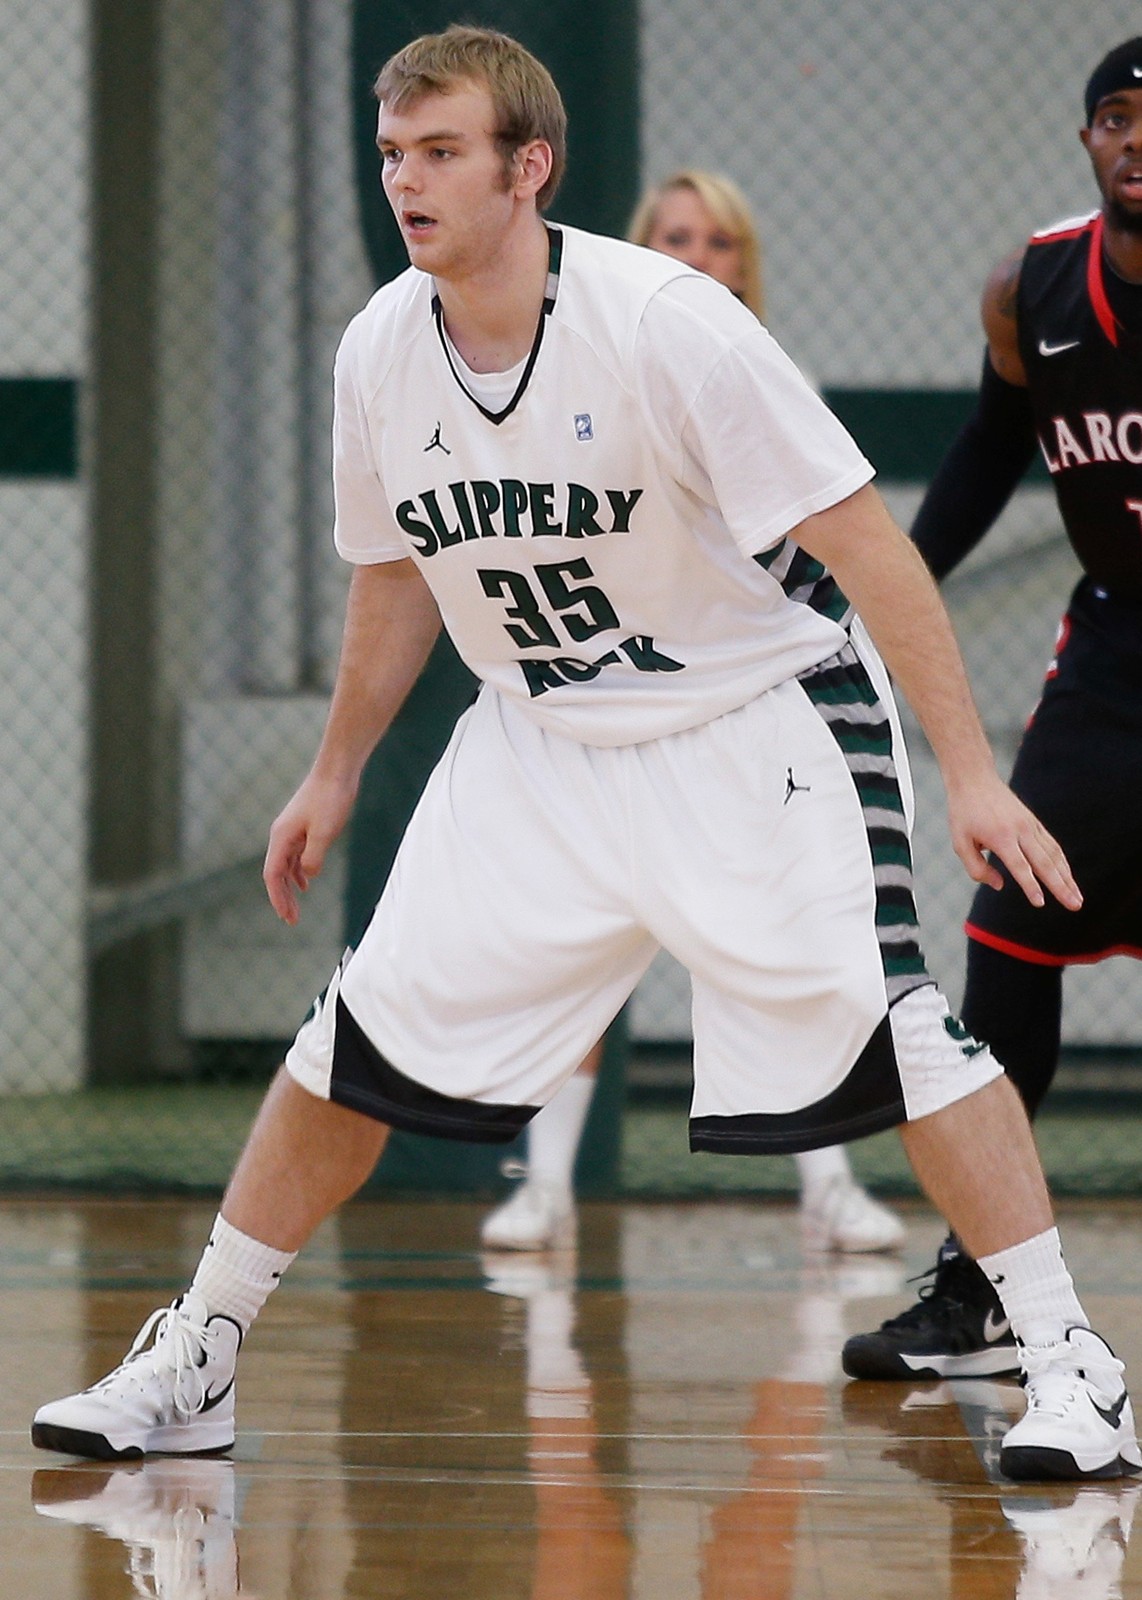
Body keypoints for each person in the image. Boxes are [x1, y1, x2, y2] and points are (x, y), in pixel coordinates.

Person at [30, 25, 1139, 1484]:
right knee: (350, 1041)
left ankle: (1073, 1363)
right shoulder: (380, 347)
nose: (404, 183)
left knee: (899, 1033)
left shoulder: (667, 322)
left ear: (526, 168)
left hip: (749, 721)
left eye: (438, 153)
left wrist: (971, 772)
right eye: (389, 155)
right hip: (539, 740)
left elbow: (865, 543)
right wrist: (334, 768)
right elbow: (393, 573)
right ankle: (201, 1354)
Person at [482, 168, 905, 1256]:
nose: (696, 255)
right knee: (575, 953)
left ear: (742, 264)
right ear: (637, 246)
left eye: (718, 241)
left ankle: (826, 1183)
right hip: (612, 700)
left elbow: (819, 560)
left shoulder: (757, 374)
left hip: (742, 709)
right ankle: (544, 1185)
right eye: (674, 235)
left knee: (777, 948)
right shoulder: (581, 366)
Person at [842, 35, 1142, 1385]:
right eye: (1114, 118)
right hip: (1113, 655)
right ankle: (979, 1294)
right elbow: (982, 455)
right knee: (1008, 938)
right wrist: (879, 592)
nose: (1135, 139)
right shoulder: (1029, 290)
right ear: (1086, 141)